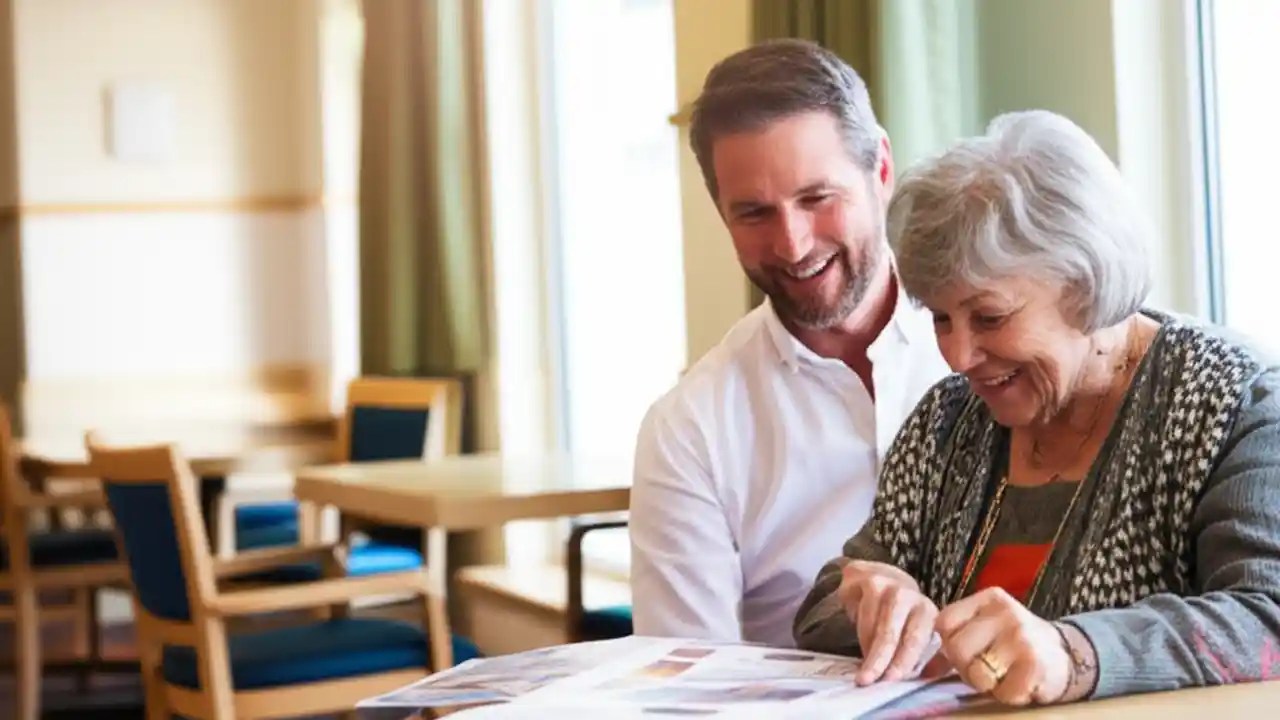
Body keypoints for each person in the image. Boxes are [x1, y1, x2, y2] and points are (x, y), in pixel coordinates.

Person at [793, 109, 1280, 705]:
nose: (958, 356)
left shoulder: (1235, 402)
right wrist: (872, 601)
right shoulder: (948, 422)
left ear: (1083, 284)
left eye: (990, 316)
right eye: (941, 318)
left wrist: (1074, 654)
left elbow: (1266, 617)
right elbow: (824, 605)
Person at [629, 39, 950, 646]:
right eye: (754, 213)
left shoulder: (998, 349)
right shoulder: (689, 431)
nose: (793, 244)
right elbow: (689, 680)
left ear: (882, 170)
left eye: (816, 198)